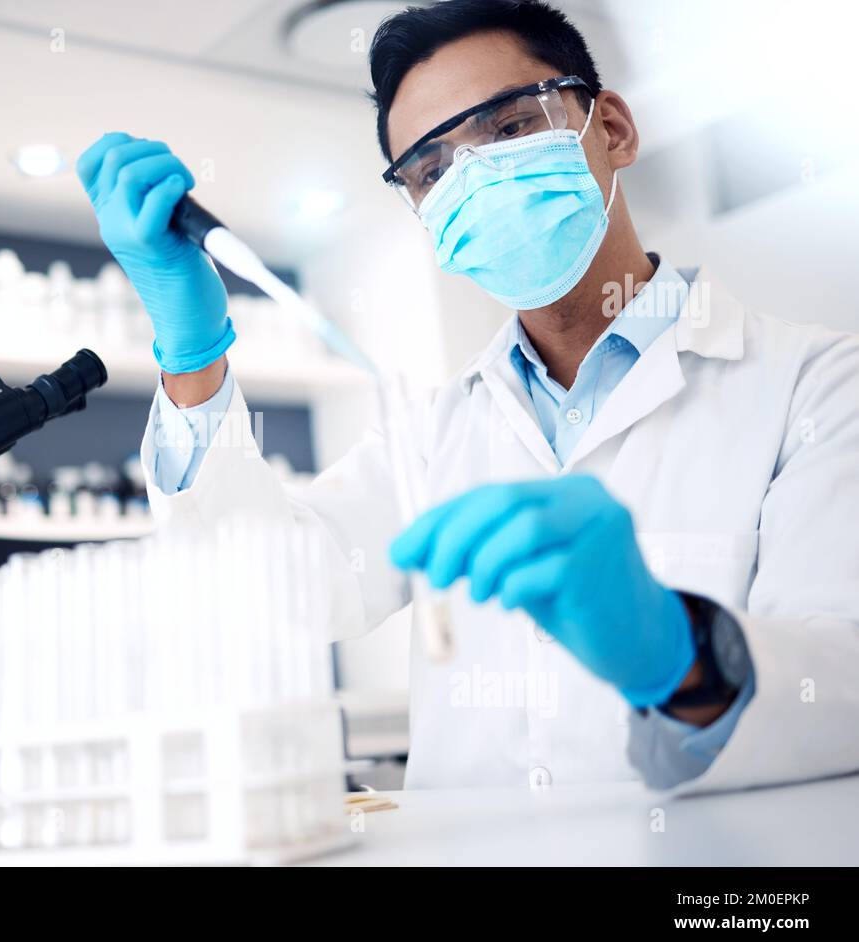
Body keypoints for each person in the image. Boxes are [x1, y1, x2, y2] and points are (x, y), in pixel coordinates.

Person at [75, 0, 859, 792]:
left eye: (511, 127)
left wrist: (674, 645)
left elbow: (842, 689)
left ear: (612, 129)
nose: (474, 178)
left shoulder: (816, 385)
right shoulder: (429, 433)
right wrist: (191, 353)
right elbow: (268, 592)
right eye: (431, 168)